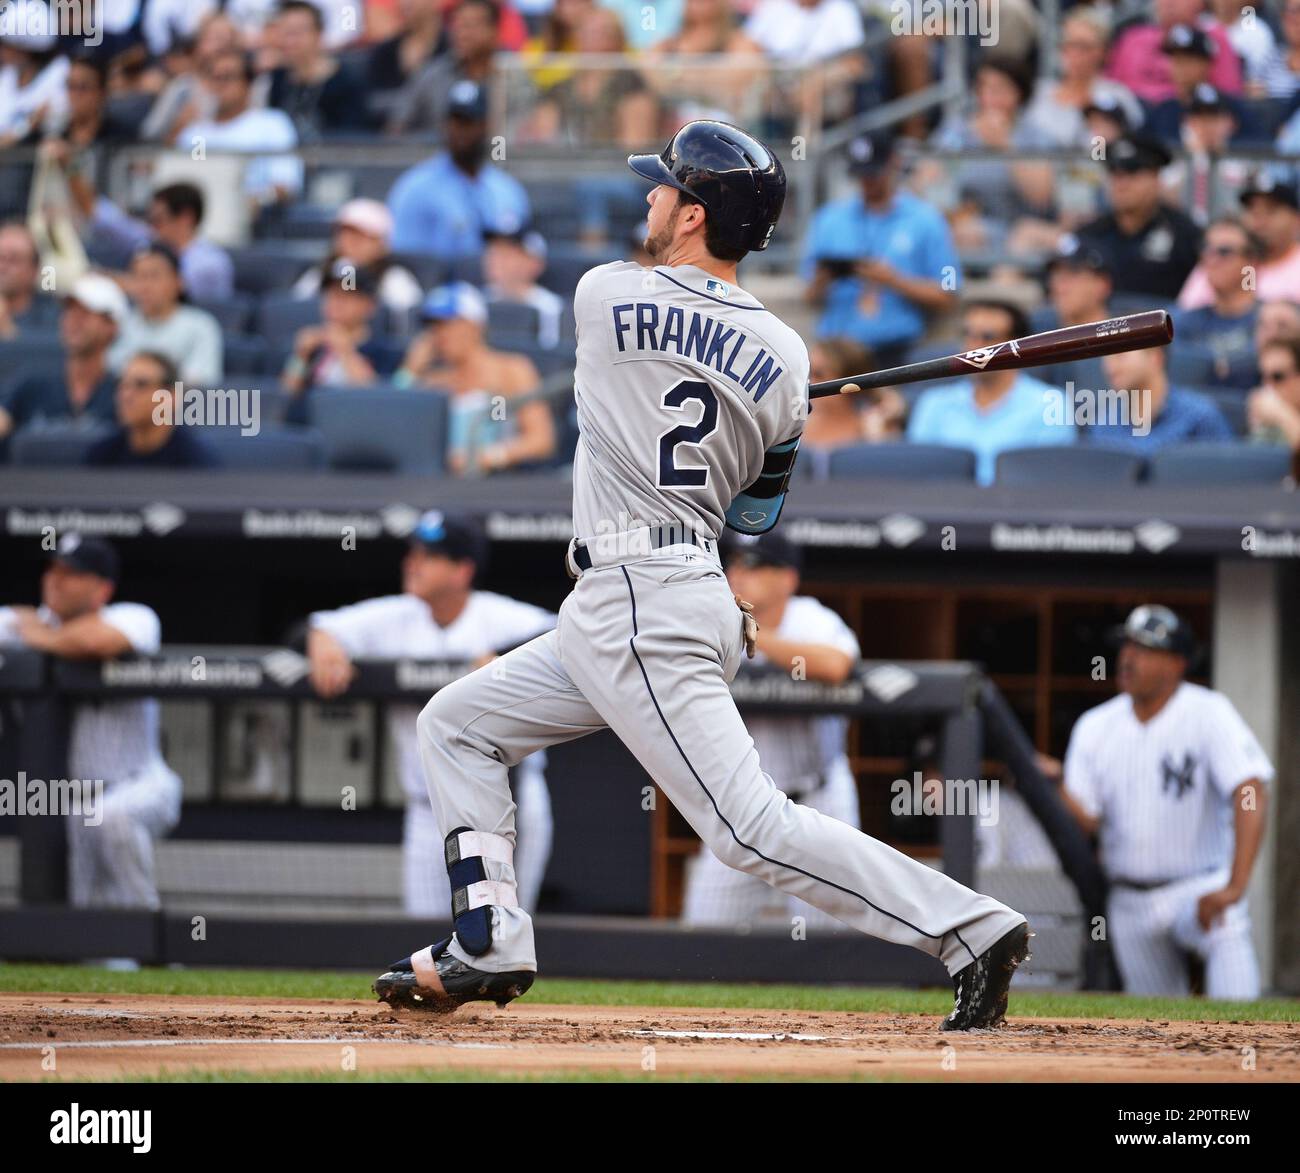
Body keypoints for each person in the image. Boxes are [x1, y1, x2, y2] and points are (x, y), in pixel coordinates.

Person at [372, 120, 1031, 1030]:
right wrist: (768, 401)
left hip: (640, 599)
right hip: (667, 590)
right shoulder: (792, 358)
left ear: (693, 213)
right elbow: (755, 515)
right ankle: (488, 934)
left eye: (662, 188)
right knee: (458, 725)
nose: (649, 198)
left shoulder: (603, 294)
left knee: (746, 828)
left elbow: (666, 364)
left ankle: (972, 927)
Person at [308, 511, 556, 916]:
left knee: (505, 932)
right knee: (424, 933)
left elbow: (563, 632)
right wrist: (321, 641)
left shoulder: (498, 617)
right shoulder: (397, 616)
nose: (413, 562)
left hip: (510, 806)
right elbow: (317, 626)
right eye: (414, 552)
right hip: (428, 810)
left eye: (430, 555)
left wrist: (508, 658)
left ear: (462, 571)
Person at [1061, 605, 1271, 999]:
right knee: (1156, 1027)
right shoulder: (1095, 725)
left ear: (1176, 663)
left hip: (1199, 887)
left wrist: (1236, 885)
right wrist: (1052, 782)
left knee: (1240, 1006)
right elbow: (1088, 819)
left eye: (1144, 648)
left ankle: (1248, 1059)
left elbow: (1250, 791)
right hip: (1129, 899)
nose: (1128, 657)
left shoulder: (1208, 712)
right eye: (1127, 646)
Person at [682, 533, 862, 930]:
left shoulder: (812, 619)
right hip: (740, 806)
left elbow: (835, 666)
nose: (738, 575)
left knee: (826, 947)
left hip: (818, 800)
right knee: (704, 939)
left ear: (788, 579)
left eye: (755, 566)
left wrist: (755, 634)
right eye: (735, 564)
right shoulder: (711, 624)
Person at [0, 534, 183, 908]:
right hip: (66, 800)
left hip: (141, 782)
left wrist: (38, 635)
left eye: (71, 572)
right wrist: (35, 630)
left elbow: (98, 642)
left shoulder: (134, 616)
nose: (56, 579)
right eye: (53, 569)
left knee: (111, 818)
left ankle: (145, 947)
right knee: (79, 918)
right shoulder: (19, 622)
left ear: (102, 589)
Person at [803, 131, 960, 367]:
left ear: (893, 162)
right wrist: (824, 278)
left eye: (874, 173)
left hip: (898, 352)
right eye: (861, 174)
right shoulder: (829, 219)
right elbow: (808, 296)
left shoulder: (927, 219)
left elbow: (948, 293)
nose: (867, 181)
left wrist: (894, 280)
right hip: (837, 354)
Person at [907, 300, 1071, 485]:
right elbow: (918, 474)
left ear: (1019, 348)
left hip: (1017, 509)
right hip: (945, 508)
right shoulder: (933, 402)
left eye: (988, 337)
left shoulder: (1050, 403)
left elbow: (1050, 479)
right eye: (968, 335)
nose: (973, 347)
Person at [396, 282, 555, 473]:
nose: (439, 335)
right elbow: (393, 425)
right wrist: (409, 370)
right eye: (433, 328)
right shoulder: (432, 381)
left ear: (475, 325)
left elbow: (541, 440)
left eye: (447, 325)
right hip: (439, 482)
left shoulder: (511, 370)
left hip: (499, 482)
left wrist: (487, 457)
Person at [387, 80, 531, 260]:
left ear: (487, 126)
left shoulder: (507, 189)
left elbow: (524, 256)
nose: (461, 131)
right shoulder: (415, 188)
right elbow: (406, 262)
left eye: (469, 122)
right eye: (455, 122)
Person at [0, 273, 125, 446]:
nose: (74, 320)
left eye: (86, 313)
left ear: (111, 326)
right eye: (69, 310)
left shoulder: (126, 391)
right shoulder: (31, 385)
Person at [1075, 135, 1202, 301]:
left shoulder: (1185, 235)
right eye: (1115, 174)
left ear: (1156, 178)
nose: (1122, 184)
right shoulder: (1090, 234)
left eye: (1132, 173)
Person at [175, 47, 303, 206]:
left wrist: (253, 201)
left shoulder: (270, 124)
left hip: (255, 222)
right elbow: (190, 175)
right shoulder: (198, 134)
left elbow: (286, 184)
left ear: (247, 84)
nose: (220, 85)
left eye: (228, 77)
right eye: (215, 78)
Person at [73, 181, 235, 302]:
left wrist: (100, 278)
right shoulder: (151, 241)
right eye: (150, 219)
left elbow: (161, 290)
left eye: (158, 220)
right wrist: (70, 165)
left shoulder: (211, 262)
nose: (151, 226)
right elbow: (100, 215)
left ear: (186, 218)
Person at [521, 7, 658, 148]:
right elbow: (543, 138)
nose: (589, 39)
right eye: (584, 32)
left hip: (613, 166)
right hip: (566, 165)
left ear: (616, 39)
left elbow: (635, 146)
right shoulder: (561, 88)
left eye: (599, 33)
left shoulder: (632, 86)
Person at [290, 200, 424, 335]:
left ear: (381, 242)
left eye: (359, 236)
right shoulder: (320, 273)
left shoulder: (394, 278)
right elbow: (294, 311)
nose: (349, 241)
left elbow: (409, 325)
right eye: (344, 234)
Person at [282, 260, 403, 403]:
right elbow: (285, 396)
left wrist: (345, 351)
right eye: (331, 295)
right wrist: (300, 356)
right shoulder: (314, 347)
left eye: (345, 297)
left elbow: (376, 399)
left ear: (370, 305)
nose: (335, 303)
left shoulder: (384, 350)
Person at [1085, 340, 1233, 453]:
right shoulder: (1103, 422)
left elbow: (1224, 481)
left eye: (1120, 354)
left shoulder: (1200, 417)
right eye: (1106, 356)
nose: (1109, 365)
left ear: (1155, 357)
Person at [1023, 8, 1142, 148]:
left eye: (1084, 47)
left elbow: (1105, 157)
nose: (1075, 54)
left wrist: (1103, 142)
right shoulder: (1039, 93)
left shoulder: (1117, 96)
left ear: (1103, 51)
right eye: (1069, 45)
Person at [109, 243, 224, 387]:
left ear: (179, 282)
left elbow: (199, 383)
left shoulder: (201, 326)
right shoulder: (120, 323)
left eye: (154, 276)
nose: (145, 286)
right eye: (138, 277)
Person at [1181, 173, 1300, 309]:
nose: (1260, 221)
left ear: (1297, 219)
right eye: (1252, 211)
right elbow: (1187, 311)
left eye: (1271, 211)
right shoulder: (1220, 256)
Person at [84, 351, 222, 468]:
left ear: (172, 397)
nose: (126, 395)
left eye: (141, 385)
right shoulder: (102, 458)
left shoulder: (198, 463)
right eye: (122, 384)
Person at [1172, 217, 1261, 390]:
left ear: (1250, 261)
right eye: (1206, 249)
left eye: (1224, 252)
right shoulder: (1184, 321)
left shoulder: (1270, 320)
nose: (1211, 259)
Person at [387, 0, 498, 135]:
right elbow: (397, 125)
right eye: (458, 27)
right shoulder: (432, 74)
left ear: (493, 31)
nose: (462, 35)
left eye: (470, 26)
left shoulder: (511, 75)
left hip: (498, 153)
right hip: (436, 153)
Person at [1105, 0, 1242, 103]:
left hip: (1195, 119)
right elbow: (1111, 90)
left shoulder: (1214, 38)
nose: (1169, 3)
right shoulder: (1132, 38)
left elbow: (1229, 95)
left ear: (1200, 3)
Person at [267, 0, 368, 138]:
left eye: (296, 33)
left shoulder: (346, 83)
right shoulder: (277, 78)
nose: (289, 41)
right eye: (284, 33)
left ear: (318, 34)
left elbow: (352, 140)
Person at [799, 337, 904, 462]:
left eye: (819, 374)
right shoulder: (795, 424)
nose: (809, 383)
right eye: (808, 373)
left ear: (850, 384)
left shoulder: (876, 427)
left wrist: (875, 435)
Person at [482, 225, 565, 348]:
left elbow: (550, 360)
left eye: (507, 254)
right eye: (492, 252)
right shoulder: (475, 302)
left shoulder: (551, 308)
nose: (495, 260)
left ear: (535, 263)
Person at [1247, 333, 1300, 475]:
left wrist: (1282, 414)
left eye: (1278, 377)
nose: (1268, 387)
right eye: (1262, 377)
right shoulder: (1270, 423)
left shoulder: (1281, 415)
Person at [0, 220, 58, 338]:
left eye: (13, 260)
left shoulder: (53, 316)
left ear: (34, 269)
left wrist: (7, 332)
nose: (2, 267)